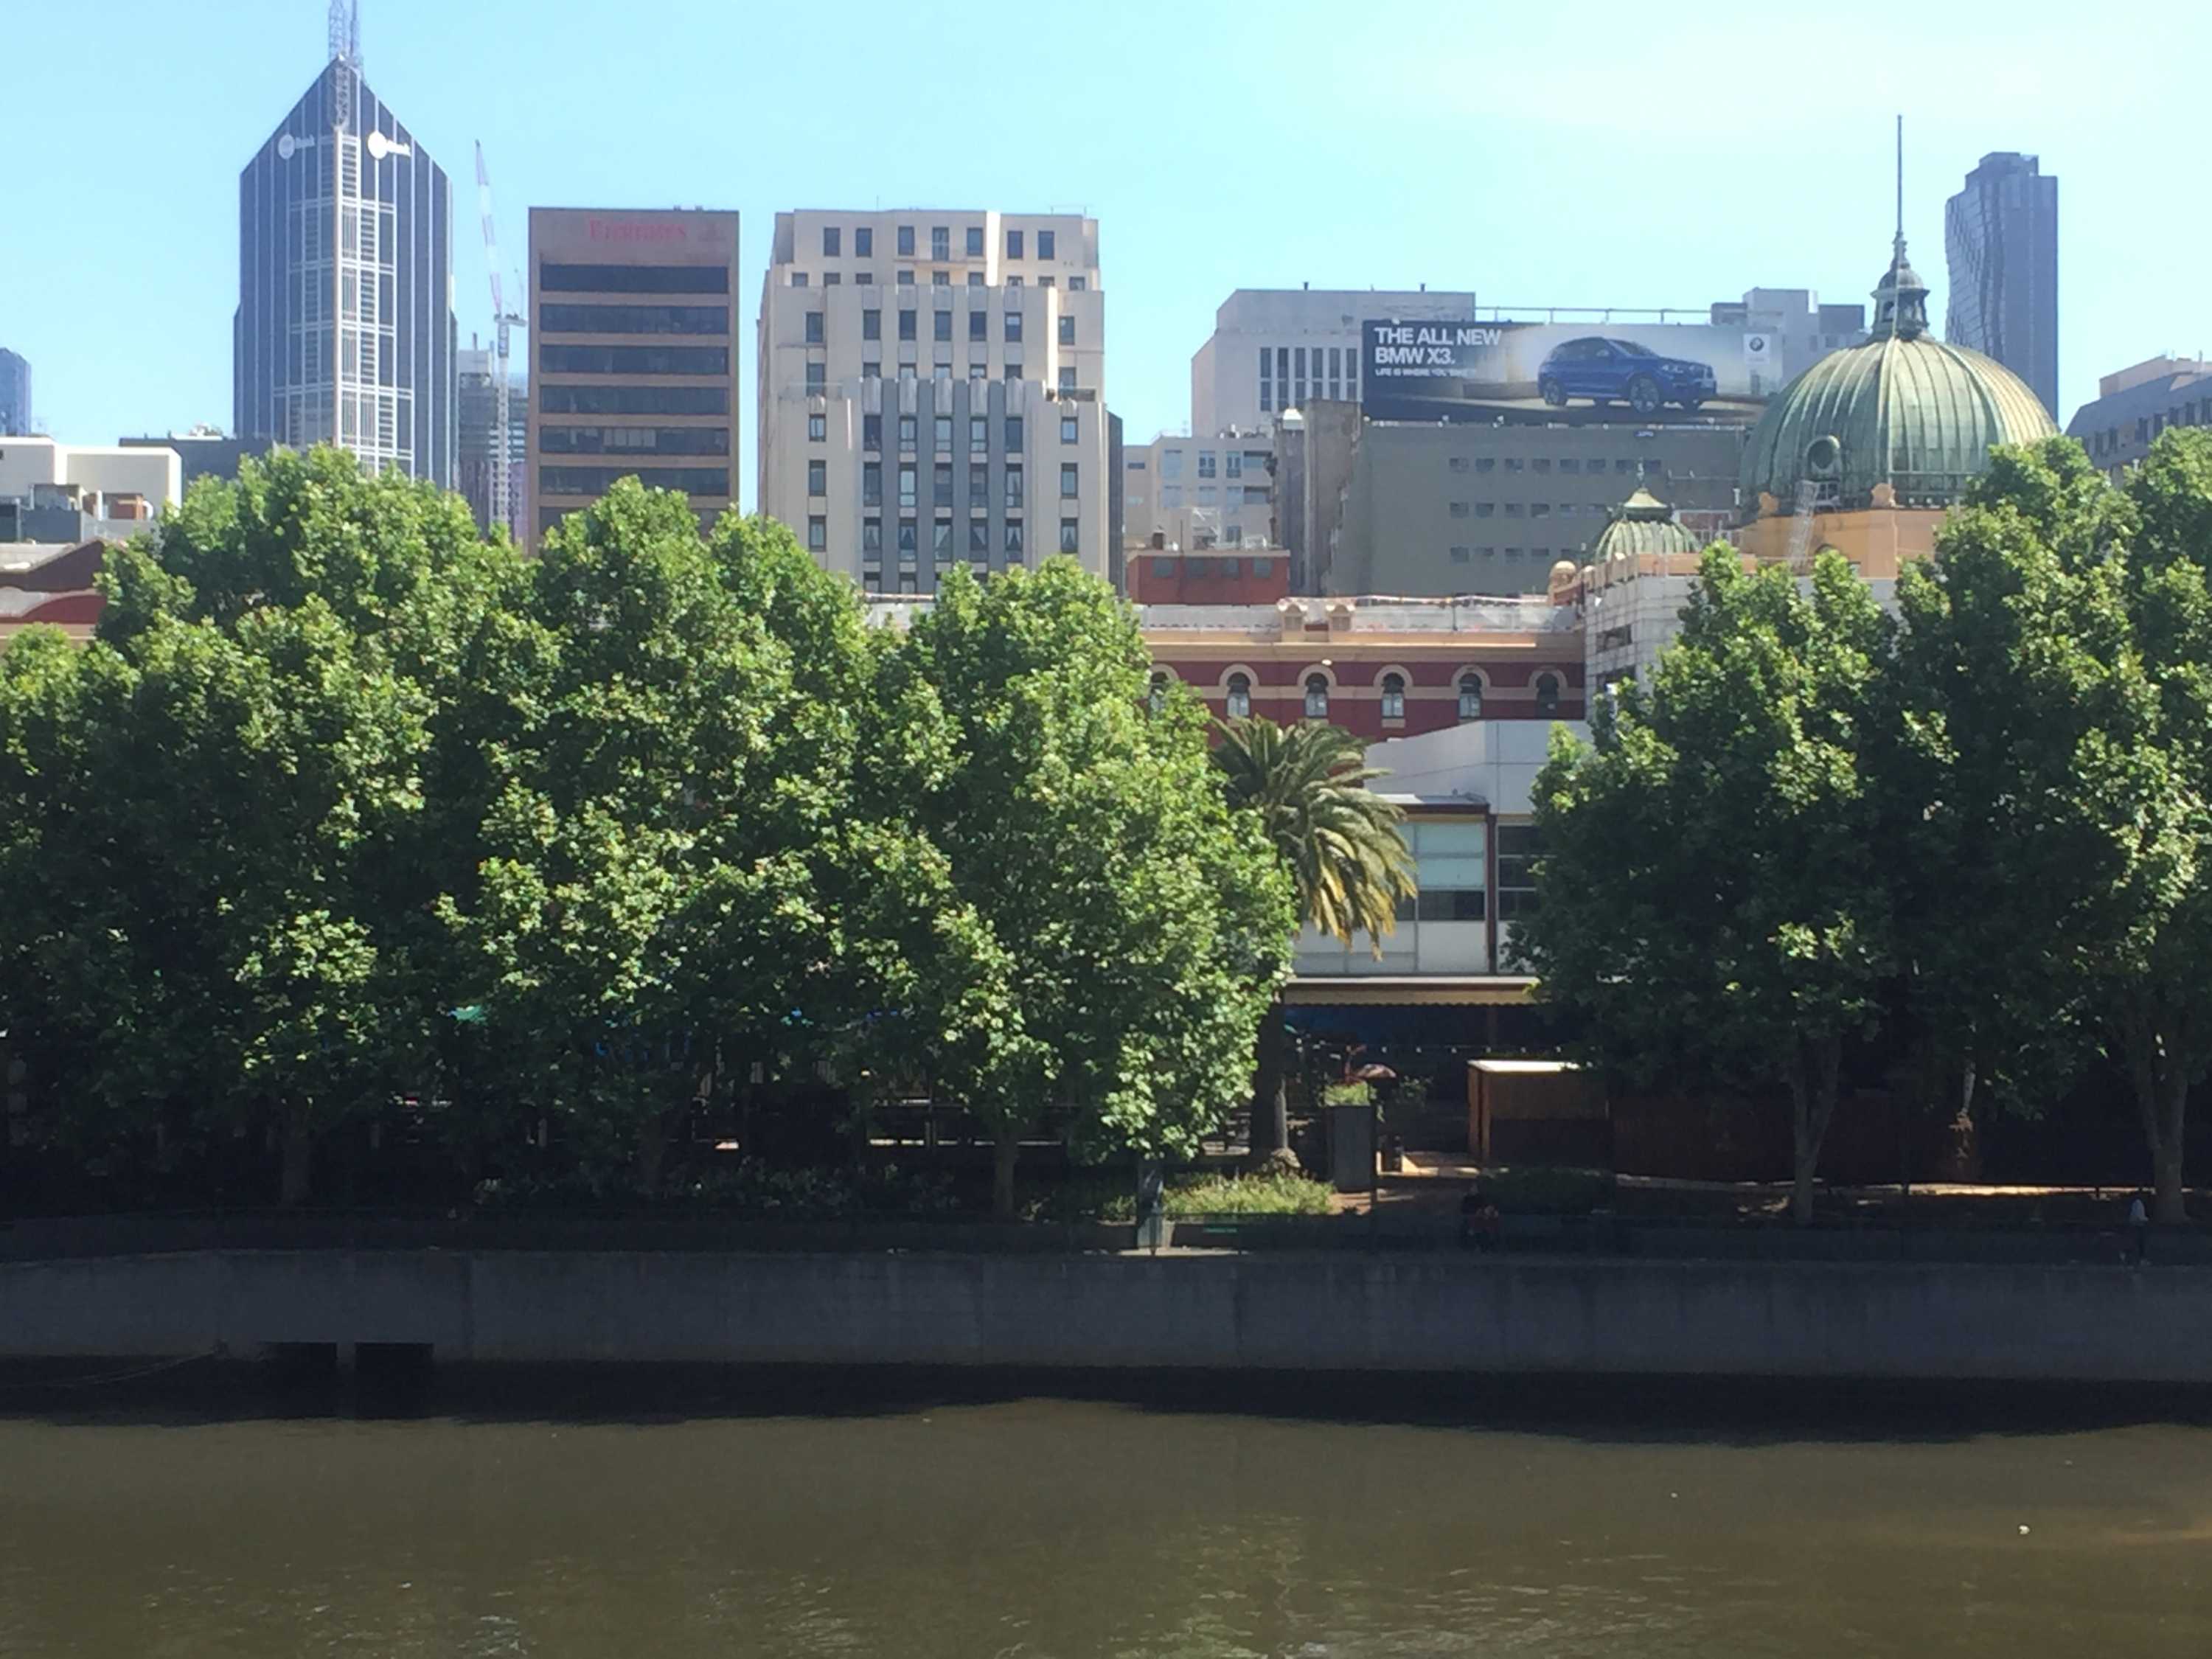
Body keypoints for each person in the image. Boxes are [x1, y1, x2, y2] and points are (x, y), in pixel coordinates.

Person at [1459, 1182, 1501, 1253]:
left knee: (1485, 1230)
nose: (1474, 1190)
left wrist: (1484, 1211)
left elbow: (1485, 1207)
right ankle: (1477, 1246)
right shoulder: (1467, 1198)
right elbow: (1464, 1209)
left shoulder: (1481, 1198)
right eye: (1473, 1188)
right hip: (1471, 1219)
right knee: (1476, 1230)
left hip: (1482, 1221)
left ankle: (1485, 1247)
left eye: (1475, 1188)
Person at [2126, 1192, 2149, 1265]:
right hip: (2138, 1226)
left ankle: (2132, 1257)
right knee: (2139, 1243)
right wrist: (2146, 1220)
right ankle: (2139, 1259)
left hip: (2135, 1225)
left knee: (2136, 1243)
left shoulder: (2136, 1203)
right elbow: (2139, 1216)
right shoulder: (2139, 1204)